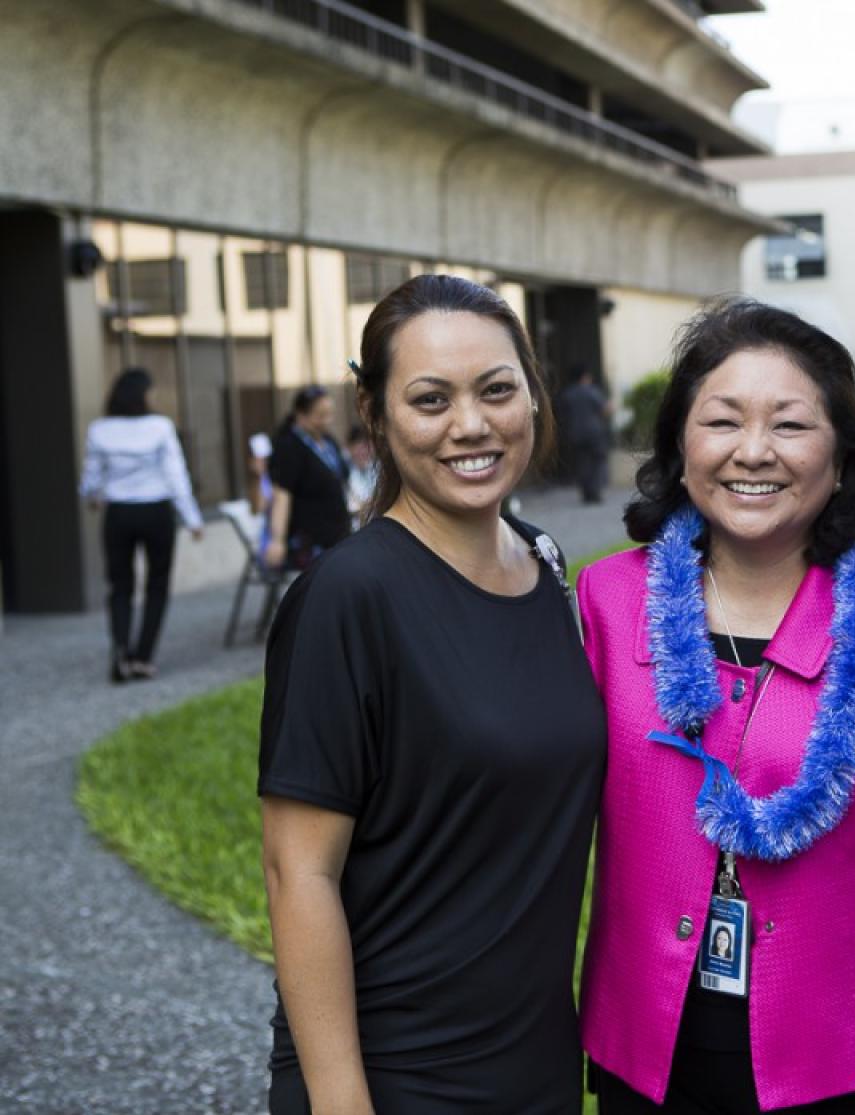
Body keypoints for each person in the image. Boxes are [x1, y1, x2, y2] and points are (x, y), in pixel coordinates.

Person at [578, 298, 855, 1114]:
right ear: (680, 445)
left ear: (842, 455)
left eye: (790, 425)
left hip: (827, 1059)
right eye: (722, 421)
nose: (752, 452)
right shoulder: (609, 602)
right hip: (640, 1049)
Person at [258, 274, 605, 1114]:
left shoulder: (544, 561)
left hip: (538, 1064)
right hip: (397, 1075)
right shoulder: (348, 594)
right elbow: (297, 870)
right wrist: (344, 1101)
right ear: (375, 416)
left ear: (530, 392)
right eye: (430, 399)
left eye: (496, 389)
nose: (471, 425)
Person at [79, 367, 204, 682]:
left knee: (120, 586)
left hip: (118, 513)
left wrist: (92, 496)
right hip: (156, 511)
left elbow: (92, 476)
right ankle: (143, 657)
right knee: (157, 585)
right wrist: (192, 518)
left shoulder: (100, 430)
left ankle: (121, 650)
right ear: (142, 394)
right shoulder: (160, 427)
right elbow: (177, 475)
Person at [265, 385, 349, 569]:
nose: (327, 421)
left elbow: (341, 479)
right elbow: (282, 493)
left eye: (329, 414)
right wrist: (277, 540)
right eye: (320, 416)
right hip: (310, 537)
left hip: (337, 531)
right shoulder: (289, 446)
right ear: (301, 415)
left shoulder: (328, 441)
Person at [558, 364, 613, 504]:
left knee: (582, 463)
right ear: (585, 377)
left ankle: (586, 493)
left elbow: (562, 414)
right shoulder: (591, 391)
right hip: (595, 433)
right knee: (598, 461)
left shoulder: (567, 394)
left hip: (575, 433)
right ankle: (595, 492)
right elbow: (605, 410)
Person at [345, 422, 379, 514]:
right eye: (358, 447)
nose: (363, 452)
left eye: (366, 446)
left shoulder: (379, 468)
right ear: (349, 448)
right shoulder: (344, 470)